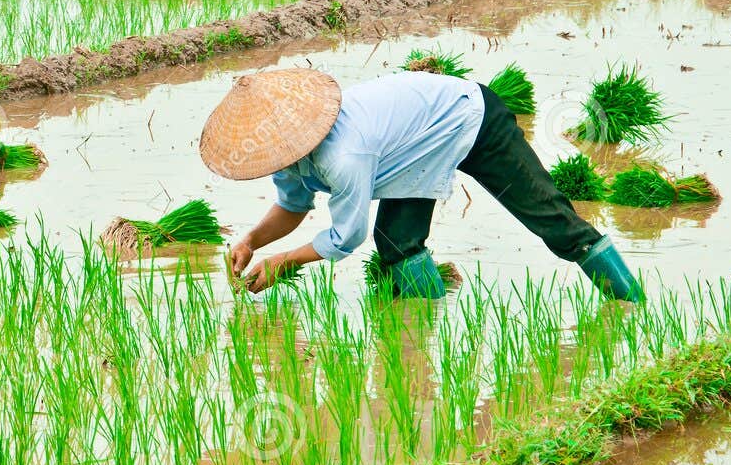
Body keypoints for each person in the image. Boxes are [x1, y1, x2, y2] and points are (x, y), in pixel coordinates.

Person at [199, 68, 643, 301]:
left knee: (556, 225)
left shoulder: (343, 153)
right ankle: (424, 335)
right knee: (397, 244)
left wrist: (284, 261)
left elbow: (346, 236)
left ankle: (634, 312)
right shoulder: (288, 154)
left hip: (469, 120)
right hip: (413, 152)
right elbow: (293, 207)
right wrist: (253, 241)